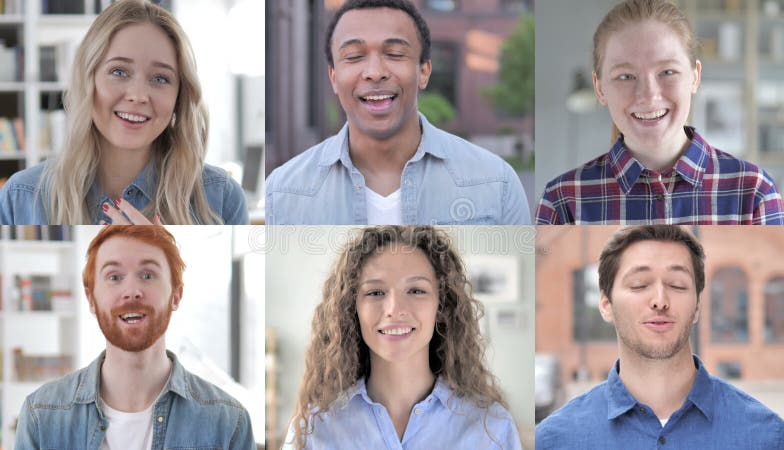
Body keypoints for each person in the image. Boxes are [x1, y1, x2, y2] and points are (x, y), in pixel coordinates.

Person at [265, 0, 530, 225]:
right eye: (354, 56)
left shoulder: (496, 183)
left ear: (424, 71)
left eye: (394, 53)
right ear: (333, 77)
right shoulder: (282, 192)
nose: (375, 71)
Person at [535, 225, 784, 449]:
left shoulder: (772, 440)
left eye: (676, 285)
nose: (660, 301)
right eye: (640, 285)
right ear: (606, 305)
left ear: (697, 307)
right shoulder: (554, 440)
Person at [535, 0, 784, 224]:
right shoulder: (562, 200)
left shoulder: (754, 192)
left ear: (695, 76)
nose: (648, 95)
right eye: (626, 76)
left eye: (667, 72)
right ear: (600, 88)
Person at [0, 0, 248, 224]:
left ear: (180, 96)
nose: (138, 95)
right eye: (119, 72)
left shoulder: (222, 198)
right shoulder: (21, 196)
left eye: (160, 78)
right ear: (88, 79)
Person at [15, 226, 256, 449]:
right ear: (91, 299)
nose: (131, 292)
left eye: (148, 275)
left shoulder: (228, 423)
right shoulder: (40, 416)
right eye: (114, 277)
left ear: (176, 295)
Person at [284, 226, 522, 448]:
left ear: (441, 306)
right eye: (375, 292)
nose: (395, 309)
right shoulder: (312, 432)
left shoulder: (493, 429)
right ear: (351, 308)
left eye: (416, 290)